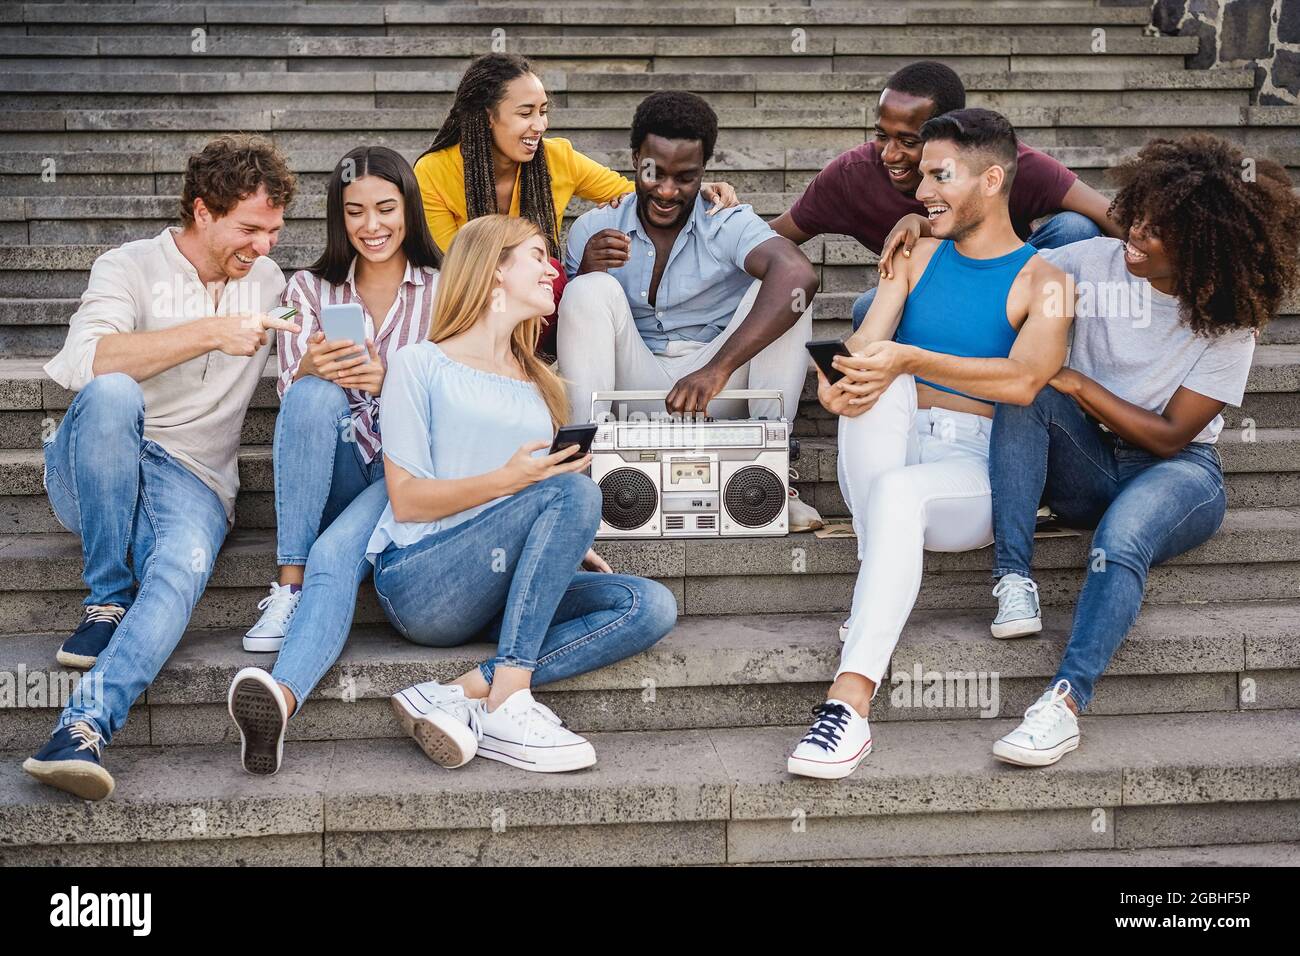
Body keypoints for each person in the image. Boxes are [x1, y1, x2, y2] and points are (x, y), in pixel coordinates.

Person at [233, 214, 677, 777]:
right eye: (538, 256)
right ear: (493, 272)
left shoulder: (543, 384)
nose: (553, 268)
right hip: (425, 581)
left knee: (648, 605)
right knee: (571, 493)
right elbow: (410, 500)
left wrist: (558, 533)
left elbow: (536, 495)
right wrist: (522, 485)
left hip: (502, 584)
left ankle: (460, 691)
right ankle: (508, 701)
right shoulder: (420, 366)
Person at [987, 134, 1300, 768]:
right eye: (1141, 216)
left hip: (1178, 473)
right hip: (1092, 465)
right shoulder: (1084, 261)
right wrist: (915, 230)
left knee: (1120, 542)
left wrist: (1075, 380)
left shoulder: (1228, 321)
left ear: (1204, 249)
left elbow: (1168, 436)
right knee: (1027, 398)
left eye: (1159, 231)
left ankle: (1063, 703)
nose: (1136, 232)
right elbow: (991, 265)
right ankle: (1013, 577)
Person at [785, 109, 1073, 780]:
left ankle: (848, 707)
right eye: (921, 178)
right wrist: (839, 383)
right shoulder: (911, 251)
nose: (921, 194)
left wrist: (909, 361)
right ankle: (868, 629)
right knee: (874, 378)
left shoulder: (1050, 283)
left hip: (973, 474)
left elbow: (1028, 381)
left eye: (940, 176)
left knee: (896, 473)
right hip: (892, 439)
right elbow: (865, 348)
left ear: (994, 179)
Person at [24, 136, 298, 800]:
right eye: (250, 229)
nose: (265, 246)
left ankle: (80, 730)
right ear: (203, 212)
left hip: (193, 479)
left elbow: (301, 365)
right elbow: (89, 365)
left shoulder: (270, 282)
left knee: (180, 565)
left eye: (274, 231)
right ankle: (108, 593)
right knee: (114, 391)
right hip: (97, 465)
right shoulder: (129, 265)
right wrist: (209, 332)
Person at [241, 146, 441, 655]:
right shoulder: (305, 290)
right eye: (355, 212)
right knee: (311, 392)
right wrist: (307, 368)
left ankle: (319, 582)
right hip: (338, 468)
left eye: (386, 209)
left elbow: (455, 398)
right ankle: (289, 586)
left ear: (409, 211)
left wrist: (388, 384)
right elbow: (293, 399)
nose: (371, 225)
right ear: (339, 218)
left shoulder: (444, 290)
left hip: (406, 471)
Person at [414, 53, 739, 354]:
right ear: (488, 117)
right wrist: (516, 298)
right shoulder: (435, 171)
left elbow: (629, 192)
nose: (540, 125)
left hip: (541, 311)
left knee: (552, 272)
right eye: (525, 113)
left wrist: (689, 187)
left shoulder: (557, 158)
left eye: (543, 111)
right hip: (470, 306)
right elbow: (452, 268)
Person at [770, 60, 1119, 331]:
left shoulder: (1003, 162)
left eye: (908, 141)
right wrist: (720, 217)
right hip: (934, 298)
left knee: (1075, 230)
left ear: (946, 132)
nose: (889, 155)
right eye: (881, 136)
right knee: (866, 308)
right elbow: (773, 237)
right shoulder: (852, 176)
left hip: (1015, 293)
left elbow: (1112, 214)